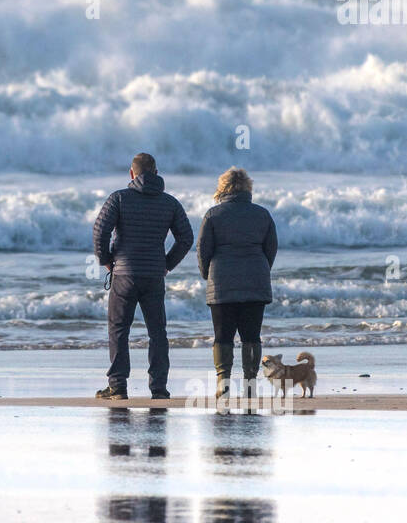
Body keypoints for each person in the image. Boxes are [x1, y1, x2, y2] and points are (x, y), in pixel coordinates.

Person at [92, 152, 193, 400]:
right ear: (156, 173)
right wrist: (167, 264)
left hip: (124, 274)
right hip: (153, 275)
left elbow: (99, 232)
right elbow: (186, 238)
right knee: (157, 332)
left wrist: (106, 260)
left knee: (118, 330)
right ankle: (158, 388)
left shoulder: (118, 199)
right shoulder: (170, 203)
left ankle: (118, 387)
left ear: (131, 173)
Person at [196, 167, 277, 399]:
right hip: (255, 282)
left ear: (223, 188)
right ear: (247, 188)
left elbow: (203, 250)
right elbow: (270, 249)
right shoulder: (262, 214)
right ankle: (250, 383)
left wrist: (207, 275)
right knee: (252, 336)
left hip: (222, 282)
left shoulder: (213, 215)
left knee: (223, 335)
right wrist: (260, 271)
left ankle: (223, 381)